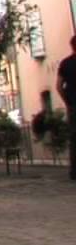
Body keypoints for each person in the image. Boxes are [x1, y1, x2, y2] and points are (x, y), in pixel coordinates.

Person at [57, 35, 76, 180]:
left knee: (74, 138)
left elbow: (59, 86)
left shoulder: (65, 63)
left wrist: (67, 102)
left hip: (73, 105)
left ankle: (74, 171)